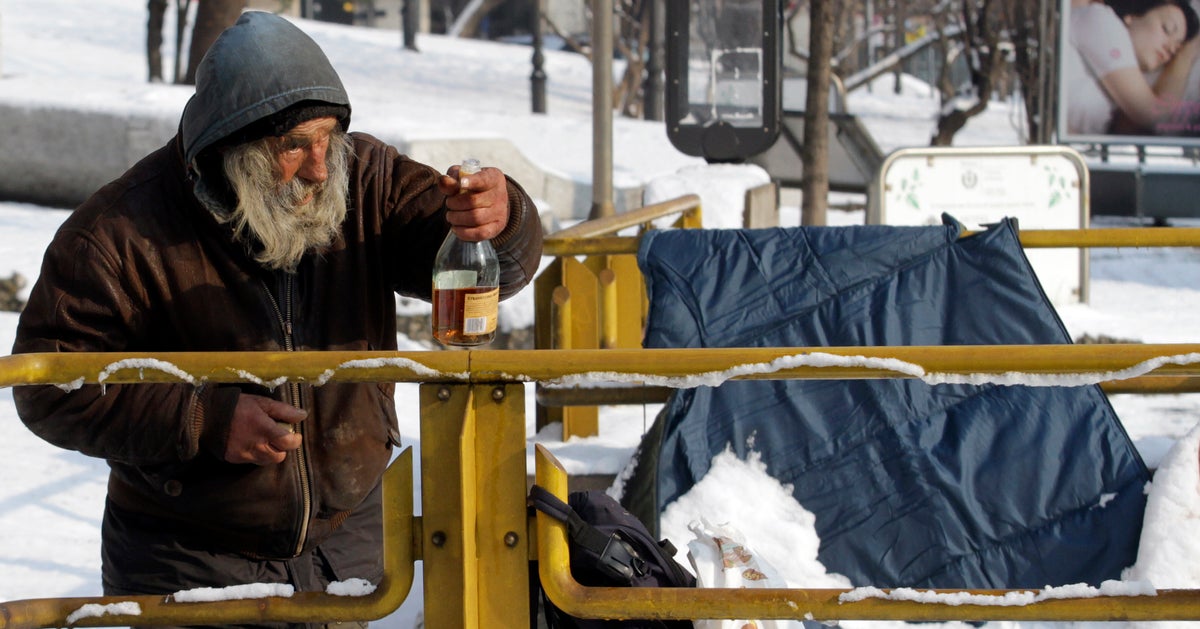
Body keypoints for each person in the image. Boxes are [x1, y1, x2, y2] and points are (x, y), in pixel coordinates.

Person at [10, 10, 543, 627]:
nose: (320, 168)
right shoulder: (117, 234)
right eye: (293, 145)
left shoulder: (366, 176)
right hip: (188, 558)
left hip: (347, 541)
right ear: (227, 145)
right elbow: (48, 386)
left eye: (328, 139)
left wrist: (500, 220)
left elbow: (479, 254)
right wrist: (201, 420)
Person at [1064, 0, 1200, 136]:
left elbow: (1147, 128)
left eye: (1176, 49)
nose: (1170, 48)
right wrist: (1185, 57)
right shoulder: (1103, 20)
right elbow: (1154, 116)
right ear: (1132, 16)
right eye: (1167, 29)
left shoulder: (1120, 88)